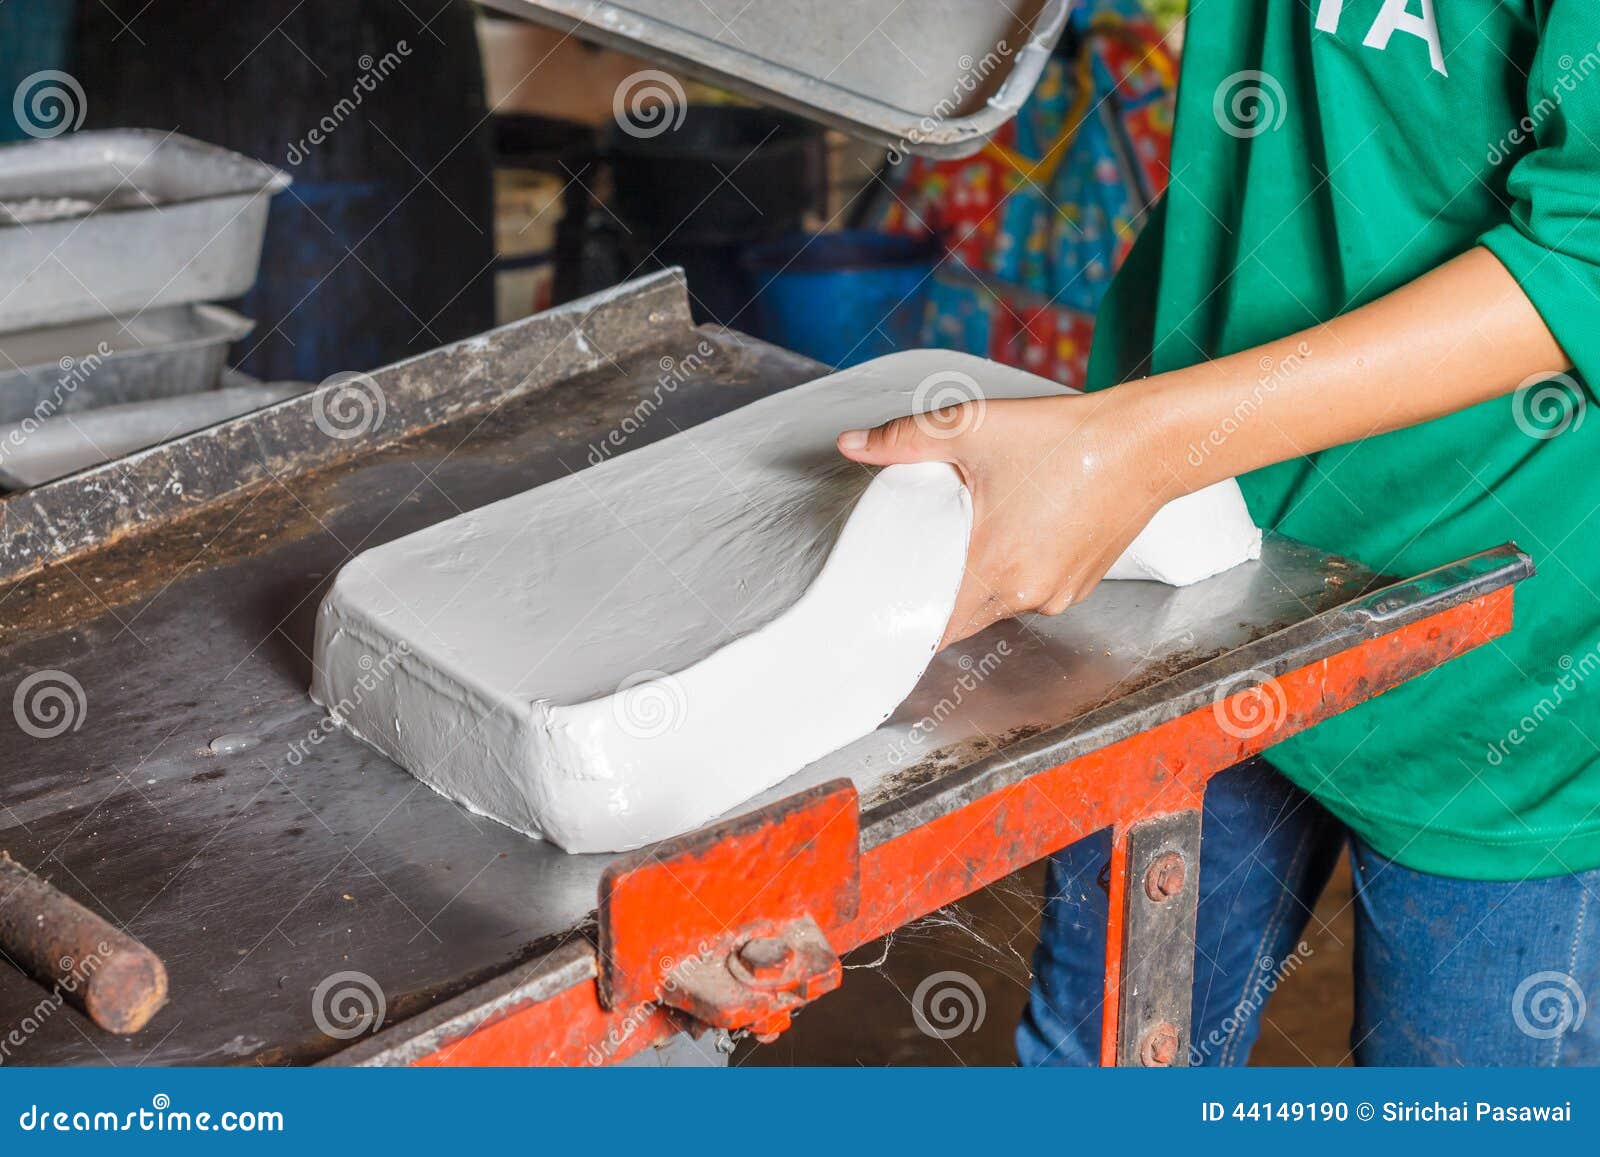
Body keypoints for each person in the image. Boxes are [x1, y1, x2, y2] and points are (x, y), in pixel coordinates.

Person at [838, 3, 1600, 1065]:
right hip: (1190, 543)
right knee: (1100, 1072)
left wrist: (1131, 448)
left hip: (1505, 622)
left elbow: (1588, 250)